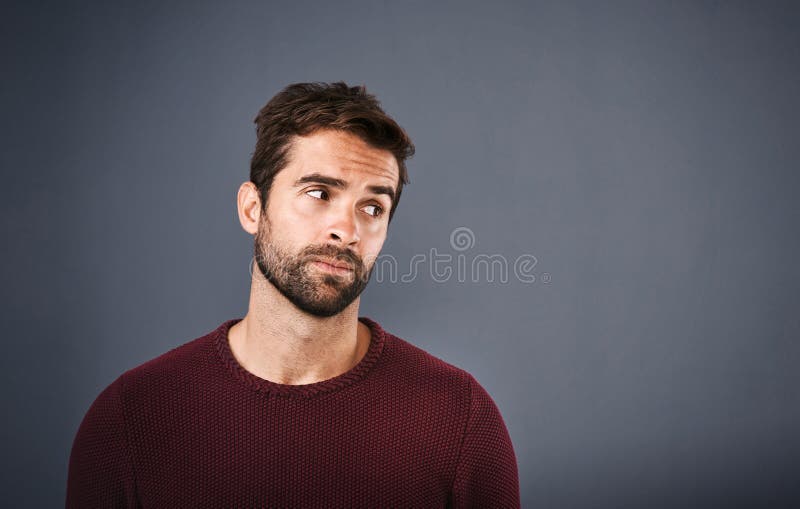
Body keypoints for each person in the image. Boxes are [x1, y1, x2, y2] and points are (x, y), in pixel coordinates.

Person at [66, 82, 520, 508]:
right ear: (252, 207)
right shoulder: (130, 418)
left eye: (373, 207)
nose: (347, 230)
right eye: (319, 193)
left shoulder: (459, 419)